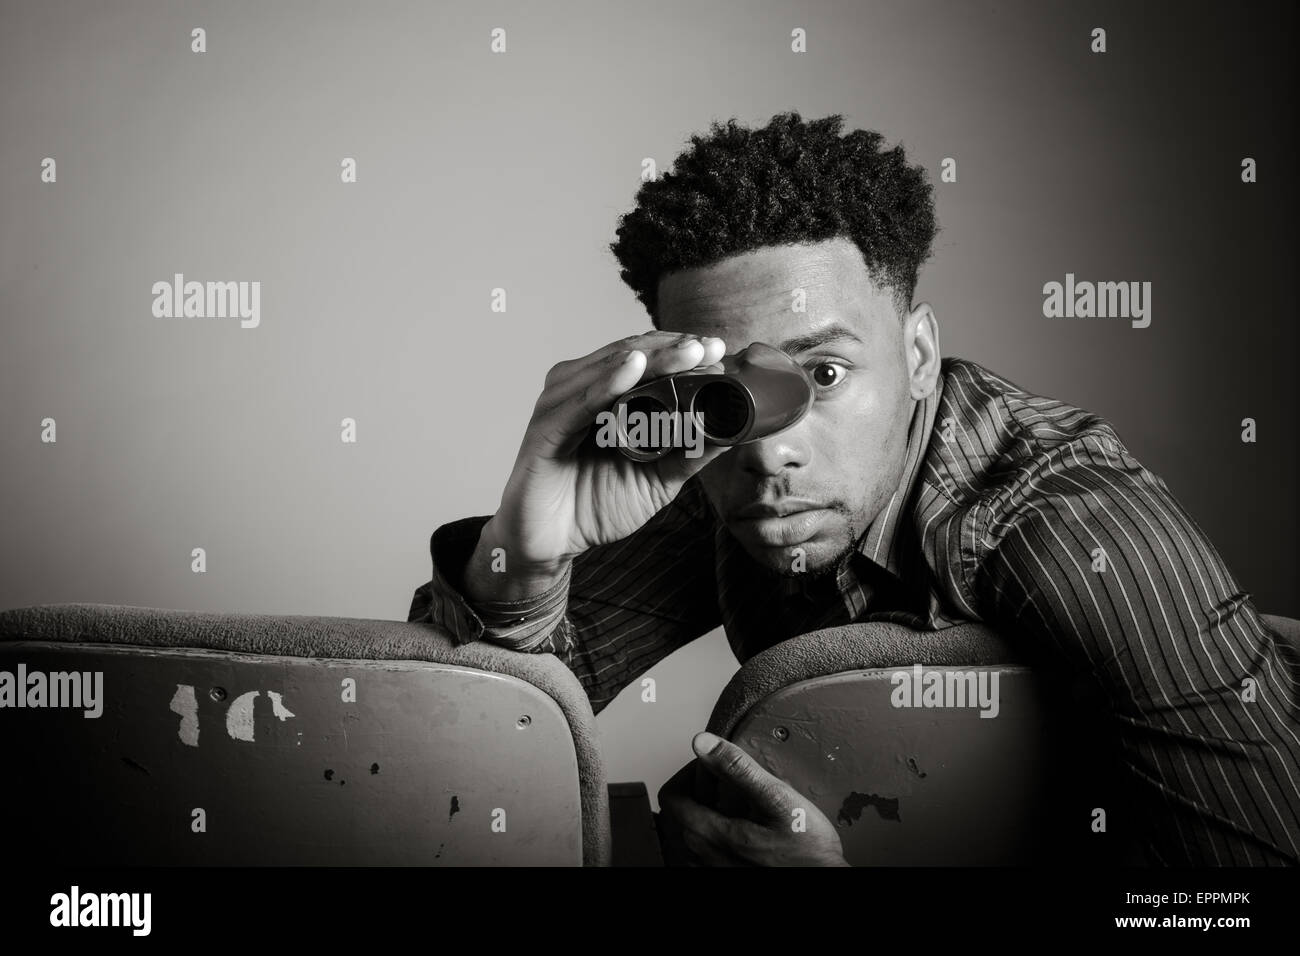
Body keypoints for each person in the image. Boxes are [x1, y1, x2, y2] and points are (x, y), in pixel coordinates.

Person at [408, 111, 1299, 866]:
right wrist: (522, 558)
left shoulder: (1077, 535)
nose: (771, 452)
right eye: (733, 396)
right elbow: (458, 770)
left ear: (916, 356)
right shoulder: (722, 463)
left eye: (823, 374)